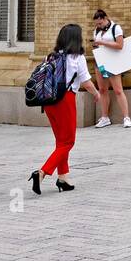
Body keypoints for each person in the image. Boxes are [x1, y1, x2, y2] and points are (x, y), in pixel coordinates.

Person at [30, 23, 100, 195]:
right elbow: (85, 81)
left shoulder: (50, 57)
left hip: (48, 101)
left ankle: (64, 177)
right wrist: (96, 93)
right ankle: (42, 172)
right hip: (65, 100)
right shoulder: (77, 58)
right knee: (68, 142)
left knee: (61, 142)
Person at [91, 9, 131, 129]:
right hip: (101, 63)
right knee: (103, 90)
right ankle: (104, 118)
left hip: (113, 63)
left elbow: (120, 45)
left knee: (118, 90)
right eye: (96, 24)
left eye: (100, 23)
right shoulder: (97, 31)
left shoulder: (116, 28)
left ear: (105, 18)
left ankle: (126, 117)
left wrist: (103, 43)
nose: (98, 26)